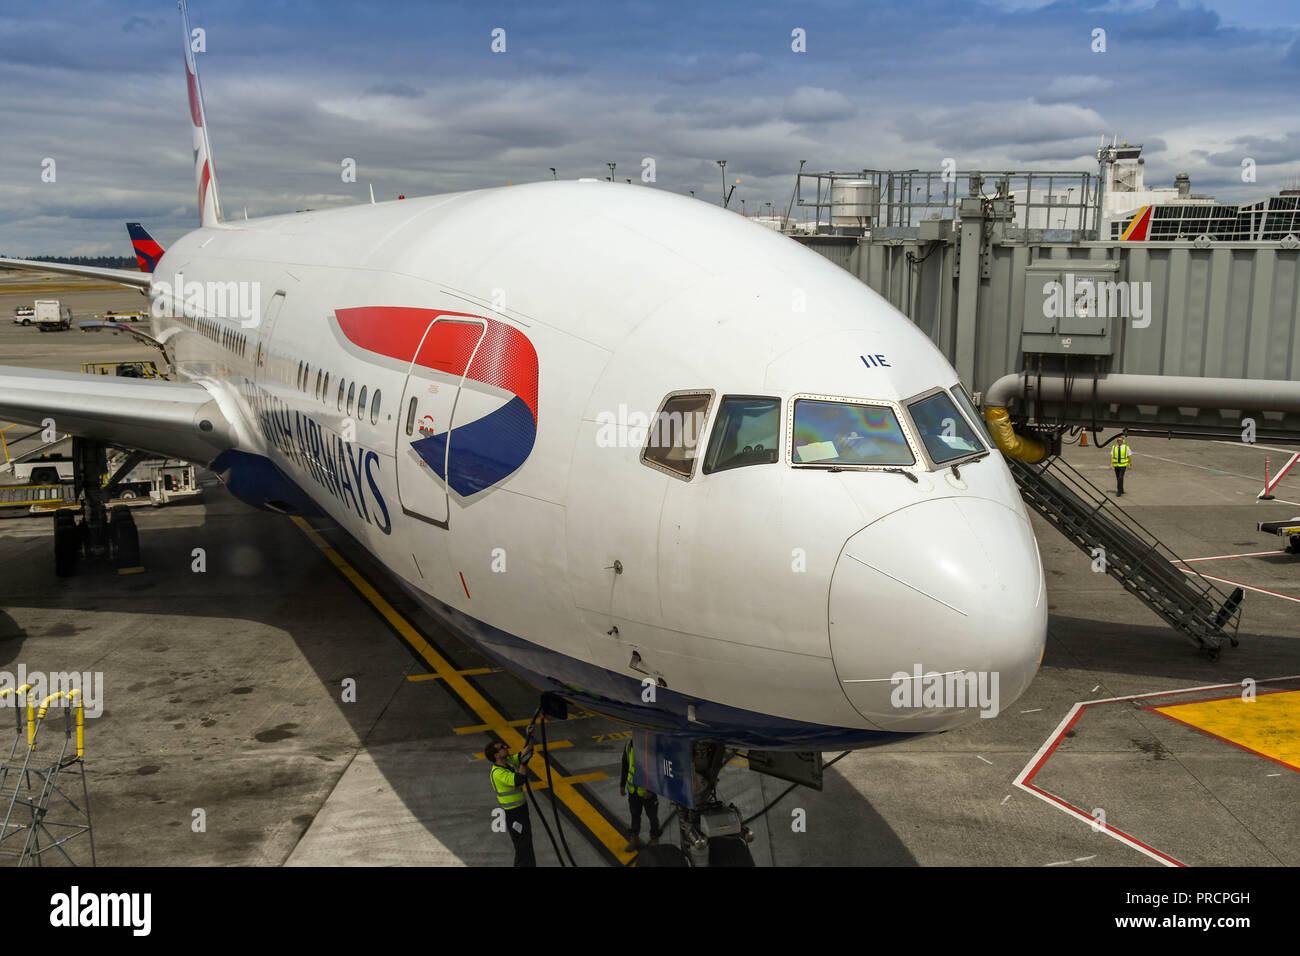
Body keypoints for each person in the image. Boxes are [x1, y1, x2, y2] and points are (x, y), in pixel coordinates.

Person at [488, 729, 536, 866]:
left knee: (527, 843)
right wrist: (524, 764)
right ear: (497, 755)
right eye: (501, 748)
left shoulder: (508, 761)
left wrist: (530, 736)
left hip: (521, 810)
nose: (505, 747)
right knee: (522, 847)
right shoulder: (498, 773)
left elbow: (527, 751)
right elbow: (519, 779)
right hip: (513, 814)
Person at [620, 737, 661, 851]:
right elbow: (625, 766)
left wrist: (651, 790)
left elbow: (655, 769)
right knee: (635, 815)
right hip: (633, 791)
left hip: (647, 792)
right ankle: (634, 838)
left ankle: (654, 839)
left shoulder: (648, 747)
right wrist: (622, 785)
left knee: (653, 817)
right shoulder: (628, 745)